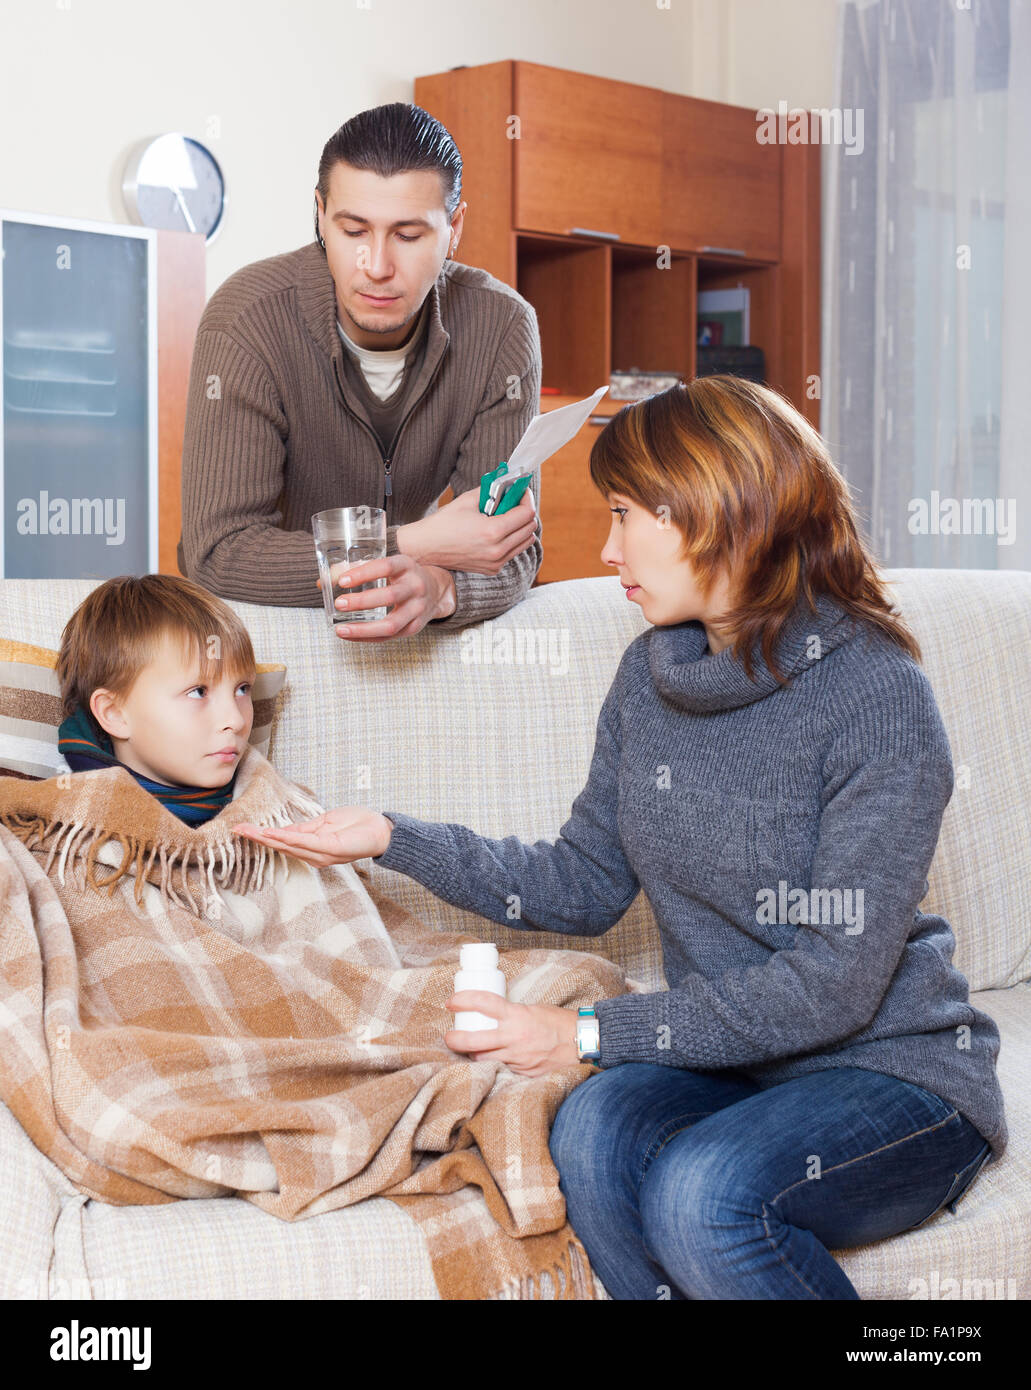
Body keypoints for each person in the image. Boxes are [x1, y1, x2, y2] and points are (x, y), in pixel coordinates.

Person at [233, 373, 1007, 1300]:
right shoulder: (652, 674)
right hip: (737, 1063)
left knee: (702, 1191)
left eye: (623, 514)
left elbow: (831, 987)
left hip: (894, 1078)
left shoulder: (876, 696)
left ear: (713, 511)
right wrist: (389, 836)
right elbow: (584, 880)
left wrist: (590, 1030)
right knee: (592, 1134)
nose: (605, 550)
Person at [177, 102, 542, 641]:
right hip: (264, 631)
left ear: (454, 226)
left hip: (411, 632)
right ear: (321, 215)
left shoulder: (502, 327)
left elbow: (510, 543)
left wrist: (440, 588)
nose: (376, 266)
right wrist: (417, 544)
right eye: (353, 230)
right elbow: (219, 553)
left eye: (408, 235)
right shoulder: (246, 320)